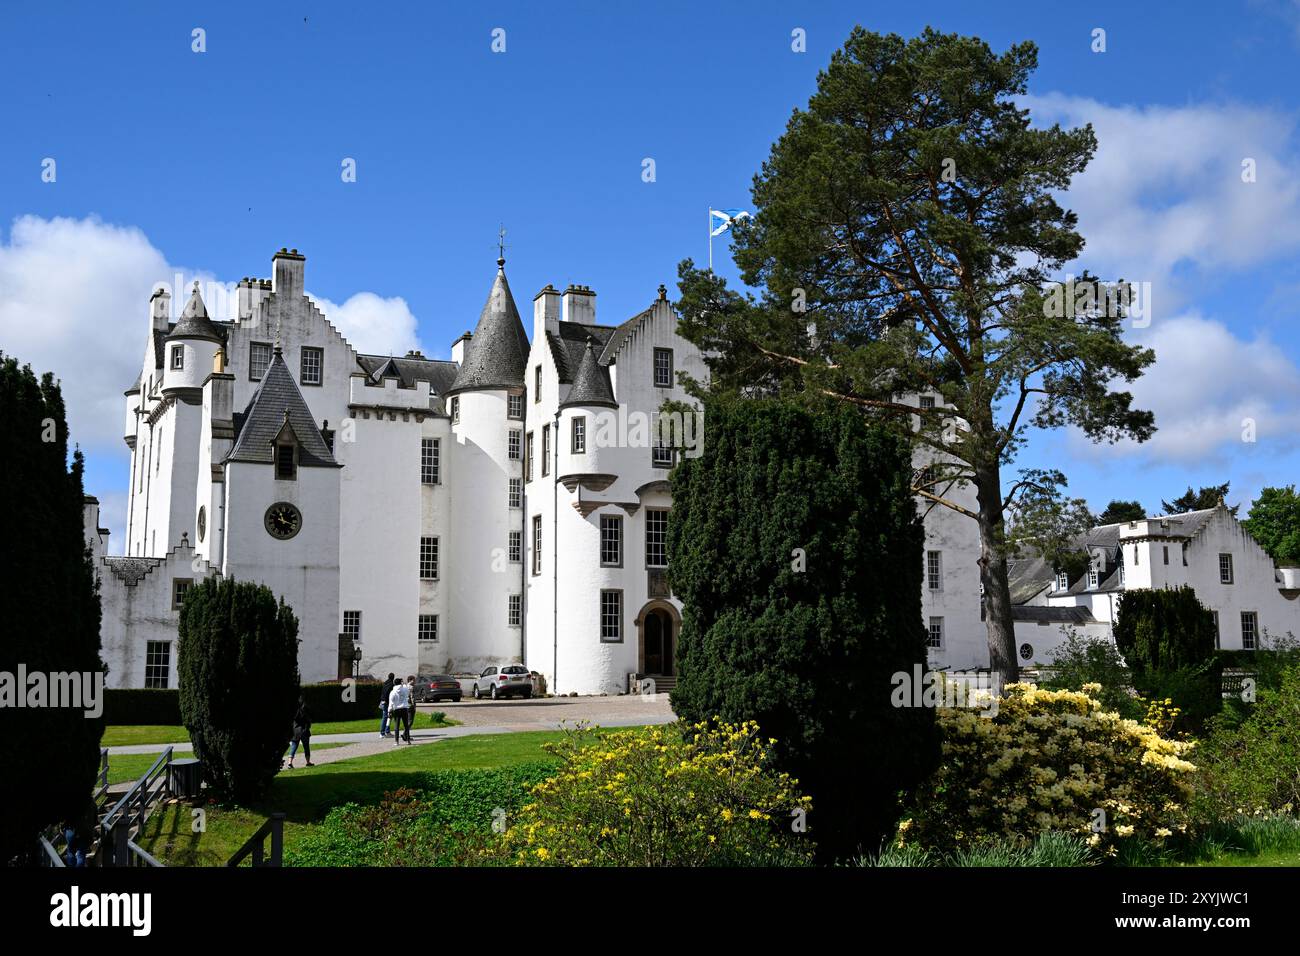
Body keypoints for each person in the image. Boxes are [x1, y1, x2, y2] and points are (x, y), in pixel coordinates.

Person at [286, 696, 314, 768]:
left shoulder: (294, 711)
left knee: (293, 746)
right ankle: (308, 762)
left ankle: (289, 763)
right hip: (304, 730)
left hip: (295, 731)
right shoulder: (305, 710)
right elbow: (308, 720)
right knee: (306, 747)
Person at [387, 678, 410, 747]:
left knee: (396, 726)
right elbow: (407, 691)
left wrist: (389, 711)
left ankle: (396, 742)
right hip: (404, 708)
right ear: (401, 683)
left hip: (396, 709)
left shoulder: (393, 692)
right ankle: (408, 740)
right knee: (406, 725)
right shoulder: (405, 689)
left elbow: (391, 703)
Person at [379, 672, 396, 738]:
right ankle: (382, 733)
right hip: (387, 703)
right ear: (393, 677)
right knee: (386, 717)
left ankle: (387, 731)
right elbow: (388, 694)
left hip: (383, 701)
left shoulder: (385, 683)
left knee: (388, 717)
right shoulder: (391, 684)